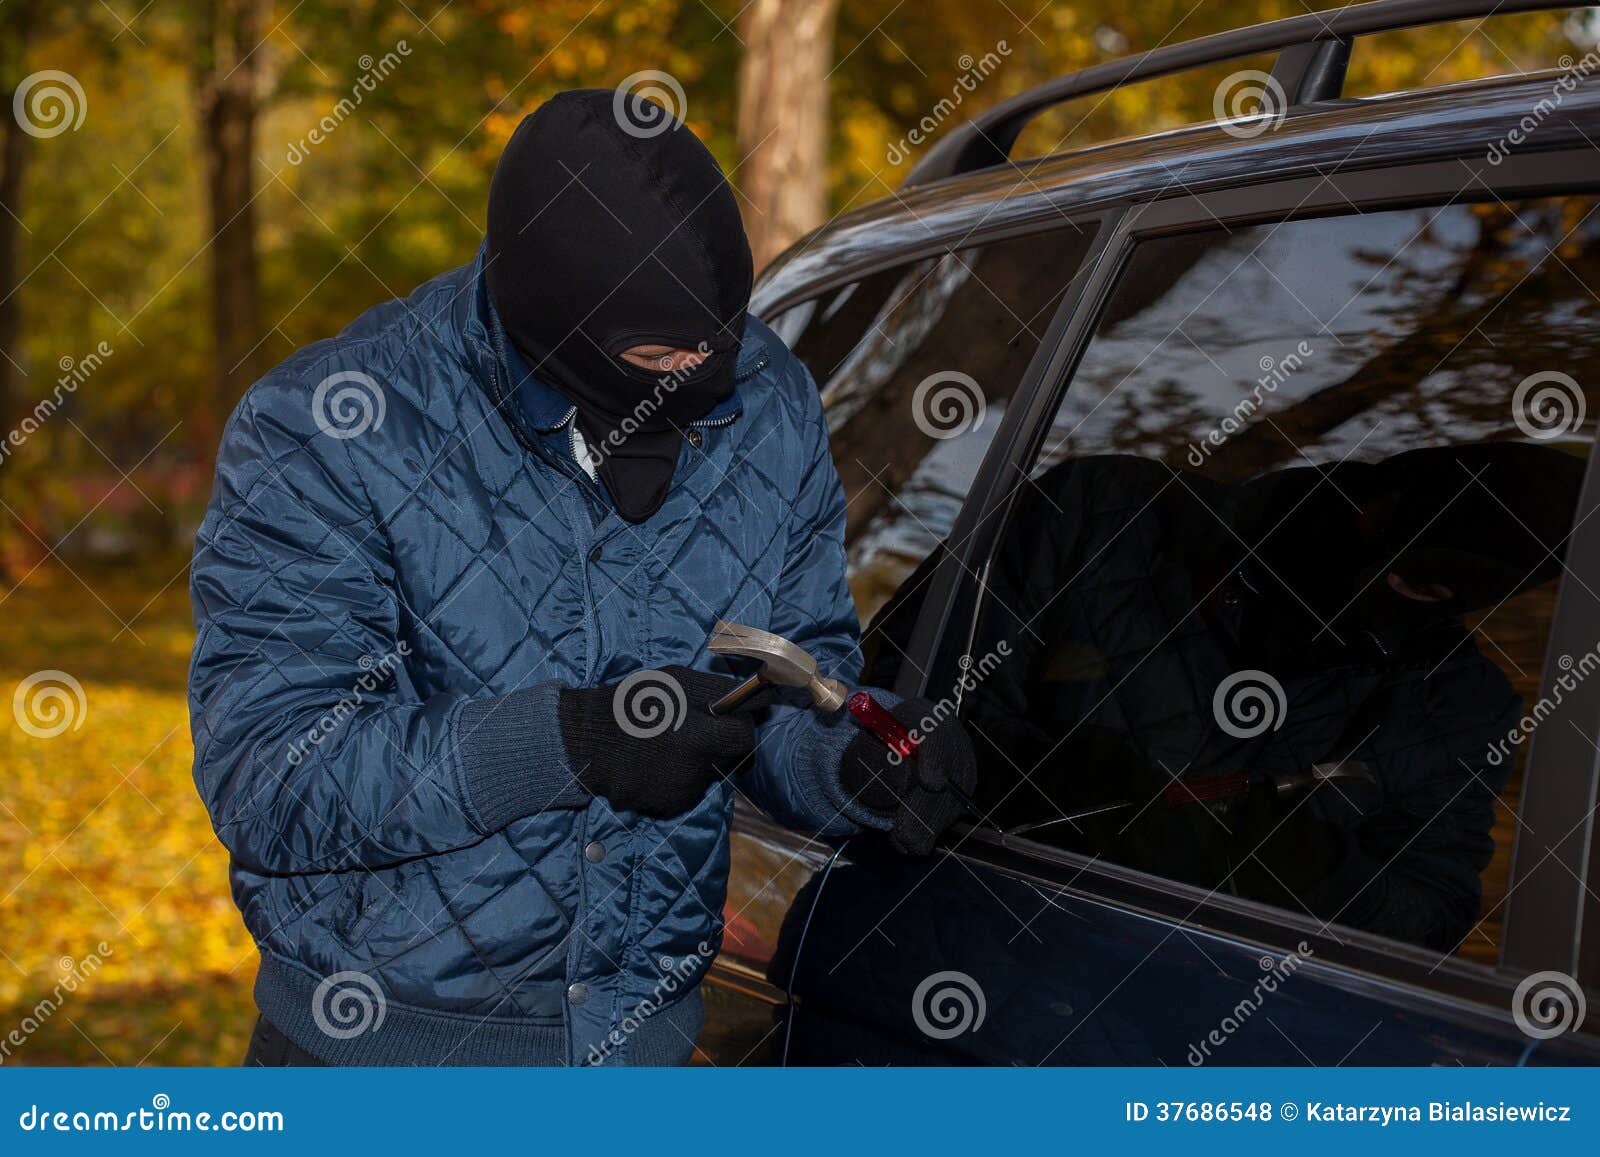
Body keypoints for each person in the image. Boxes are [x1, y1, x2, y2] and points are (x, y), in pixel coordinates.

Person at [188, 89, 976, 1068]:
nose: (694, 389)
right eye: (656, 360)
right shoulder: (333, 425)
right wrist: (573, 739)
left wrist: (845, 757)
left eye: (711, 354)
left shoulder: (769, 400)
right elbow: (272, 777)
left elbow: (784, 667)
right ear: (544, 322)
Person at [868, 442, 1581, 951]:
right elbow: (880, 717)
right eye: (1377, 536)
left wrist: (1323, 878)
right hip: (931, 980)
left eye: (1423, 589)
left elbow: (1433, 917)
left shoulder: (1455, 705)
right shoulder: (1100, 515)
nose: (1378, 588)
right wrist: (1060, 783)